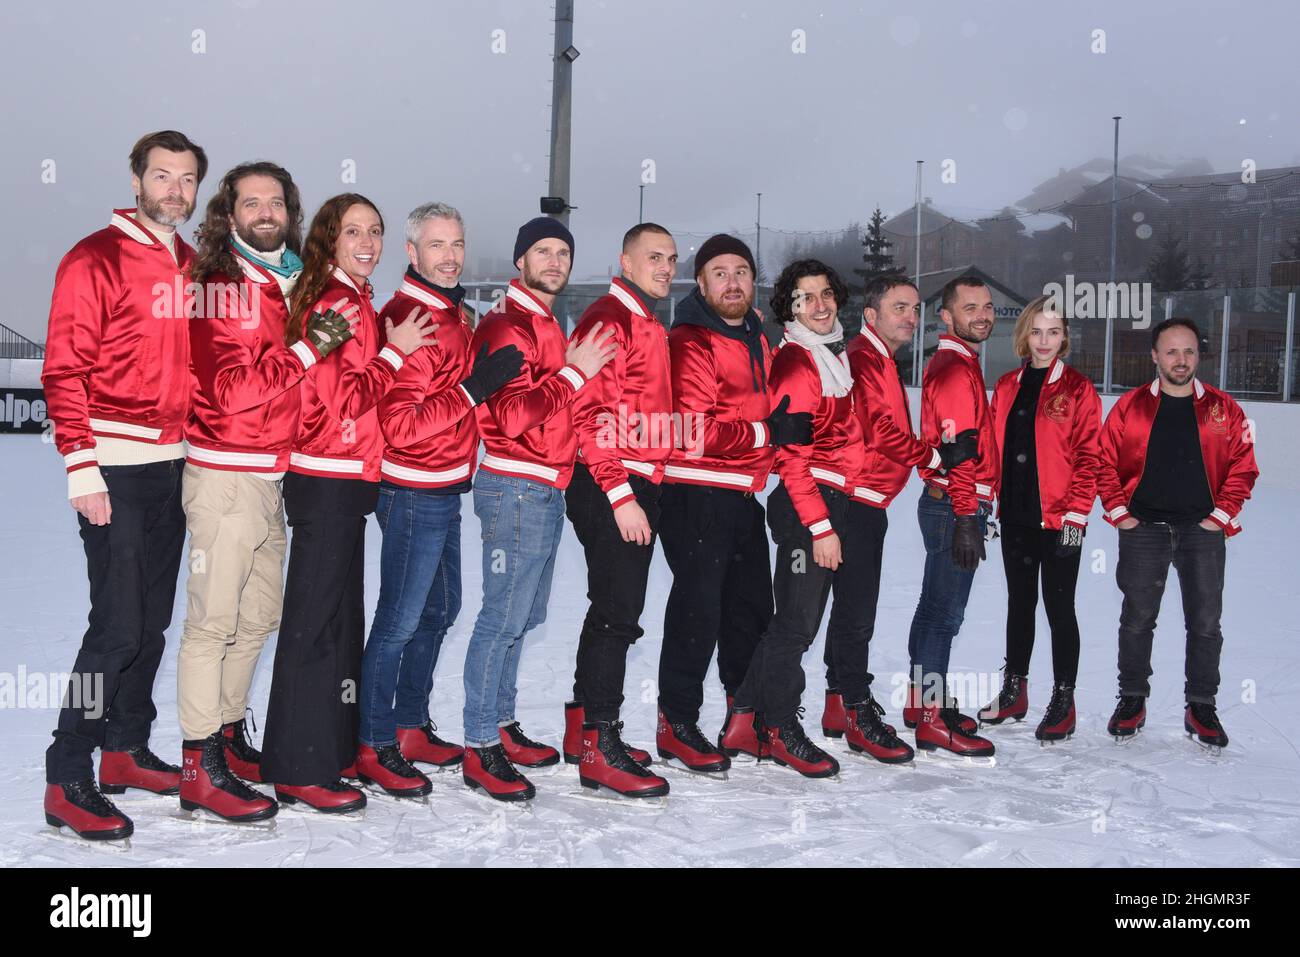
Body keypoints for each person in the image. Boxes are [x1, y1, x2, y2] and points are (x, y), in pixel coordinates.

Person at [42, 130, 207, 841]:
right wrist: (82, 463)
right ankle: (66, 768)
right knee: (113, 626)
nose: (174, 189)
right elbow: (63, 367)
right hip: (113, 465)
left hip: (174, 466)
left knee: (152, 622)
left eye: (187, 178)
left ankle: (125, 748)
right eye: (162, 175)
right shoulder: (93, 258)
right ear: (136, 179)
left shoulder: (194, 264)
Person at [178, 162, 354, 820]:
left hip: (271, 474)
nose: (264, 211)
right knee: (212, 622)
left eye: (274, 201)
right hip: (226, 471)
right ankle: (198, 763)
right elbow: (230, 389)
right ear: (229, 213)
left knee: (259, 616)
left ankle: (223, 738)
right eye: (249, 201)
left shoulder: (289, 281)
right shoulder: (221, 284)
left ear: (290, 210)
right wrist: (308, 350)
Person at [259, 194, 437, 808]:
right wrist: (395, 354)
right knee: (313, 625)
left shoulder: (356, 299)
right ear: (329, 239)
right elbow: (332, 403)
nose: (367, 241)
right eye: (353, 231)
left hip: (349, 478)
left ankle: (329, 753)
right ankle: (296, 767)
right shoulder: (335, 302)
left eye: (376, 231)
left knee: (338, 621)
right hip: (325, 477)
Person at [358, 202, 521, 794]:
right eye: (436, 245)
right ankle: (372, 742)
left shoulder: (452, 313)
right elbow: (400, 426)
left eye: (456, 244)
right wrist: (476, 389)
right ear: (412, 252)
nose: (449, 256)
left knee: (438, 611)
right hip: (409, 489)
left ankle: (408, 725)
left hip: (446, 485)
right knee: (399, 621)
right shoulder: (411, 316)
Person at [460, 216, 617, 801]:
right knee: (501, 617)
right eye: (542, 251)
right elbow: (513, 416)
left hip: (544, 485)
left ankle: (497, 724)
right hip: (514, 485)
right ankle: (480, 746)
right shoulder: (507, 326)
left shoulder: (547, 323)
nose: (555, 261)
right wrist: (577, 371)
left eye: (563, 252)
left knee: (523, 617)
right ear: (519, 260)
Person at [655, 234, 812, 775]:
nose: (732, 282)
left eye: (741, 271)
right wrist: (766, 431)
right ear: (700, 283)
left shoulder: (758, 339)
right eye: (719, 273)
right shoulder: (690, 340)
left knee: (749, 613)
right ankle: (676, 721)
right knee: (698, 611)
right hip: (696, 491)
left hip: (743, 493)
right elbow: (693, 430)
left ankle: (743, 717)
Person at [819, 275, 978, 762]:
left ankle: (836, 704)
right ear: (871, 315)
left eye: (914, 308)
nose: (910, 316)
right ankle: (852, 705)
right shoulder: (865, 358)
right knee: (855, 615)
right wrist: (933, 459)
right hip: (855, 498)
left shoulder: (881, 358)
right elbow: (883, 430)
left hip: (868, 498)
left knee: (850, 610)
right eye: (898, 307)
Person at [722, 260, 859, 778]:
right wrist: (821, 528)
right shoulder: (799, 364)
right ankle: (779, 727)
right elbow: (792, 457)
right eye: (806, 298)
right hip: (807, 505)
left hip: (829, 498)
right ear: (790, 307)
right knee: (797, 627)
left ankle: (743, 719)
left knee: (793, 623)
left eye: (826, 294)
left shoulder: (830, 355)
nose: (820, 306)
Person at [1097, 318, 1258, 748]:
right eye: (1171, 351)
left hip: (1201, 531)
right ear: (1154, 356)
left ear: (1198, 356)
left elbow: (1244, 466)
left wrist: (1220, 517)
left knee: (1205, 623)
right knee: (1137, 620)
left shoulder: (1225, 410)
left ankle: (1201, 705)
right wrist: (1120, 514)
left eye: (1188, 351)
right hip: (1143, 528)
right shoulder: (1129, 407)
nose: (1180, 360)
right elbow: (1104, 462)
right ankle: (1132, 698)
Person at [561, 223, 678, 799]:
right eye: (653, 257)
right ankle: (597, 747)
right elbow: (591, 415)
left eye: (671, 258)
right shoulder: (612, 318)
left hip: (636, 477)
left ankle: (585, 727)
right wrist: (620, 493)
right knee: (617, 613)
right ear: (625, 261)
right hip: (612, 480)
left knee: (609, 607)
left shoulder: (647, 322)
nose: (665, 266)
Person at [977, 295, 1101, 742]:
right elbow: (992, 450)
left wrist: (1076, 515)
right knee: (1019, 603)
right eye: (1036, 331)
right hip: (1017, 516)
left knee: (1059, 608)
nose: (1044, 340)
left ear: (1064, 336)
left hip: (1061, 519)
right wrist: (983, 498)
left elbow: (1090, 457)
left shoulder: (1078, 390)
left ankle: (1063, 701)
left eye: (1053, 332)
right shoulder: (1007, 385)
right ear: (1024, 335)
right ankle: (1015, 691)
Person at [905, 276, 1000, 758]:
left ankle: (921, 700)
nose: (982, 314)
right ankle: (931, 719)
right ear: (946, 316)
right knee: (944, 616)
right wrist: (967, 515)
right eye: (970, 307)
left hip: (948, 503)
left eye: (986, 306)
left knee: (931, 609)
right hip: (953, 505)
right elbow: (960, 455)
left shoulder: (959, 363)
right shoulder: (954, 371)